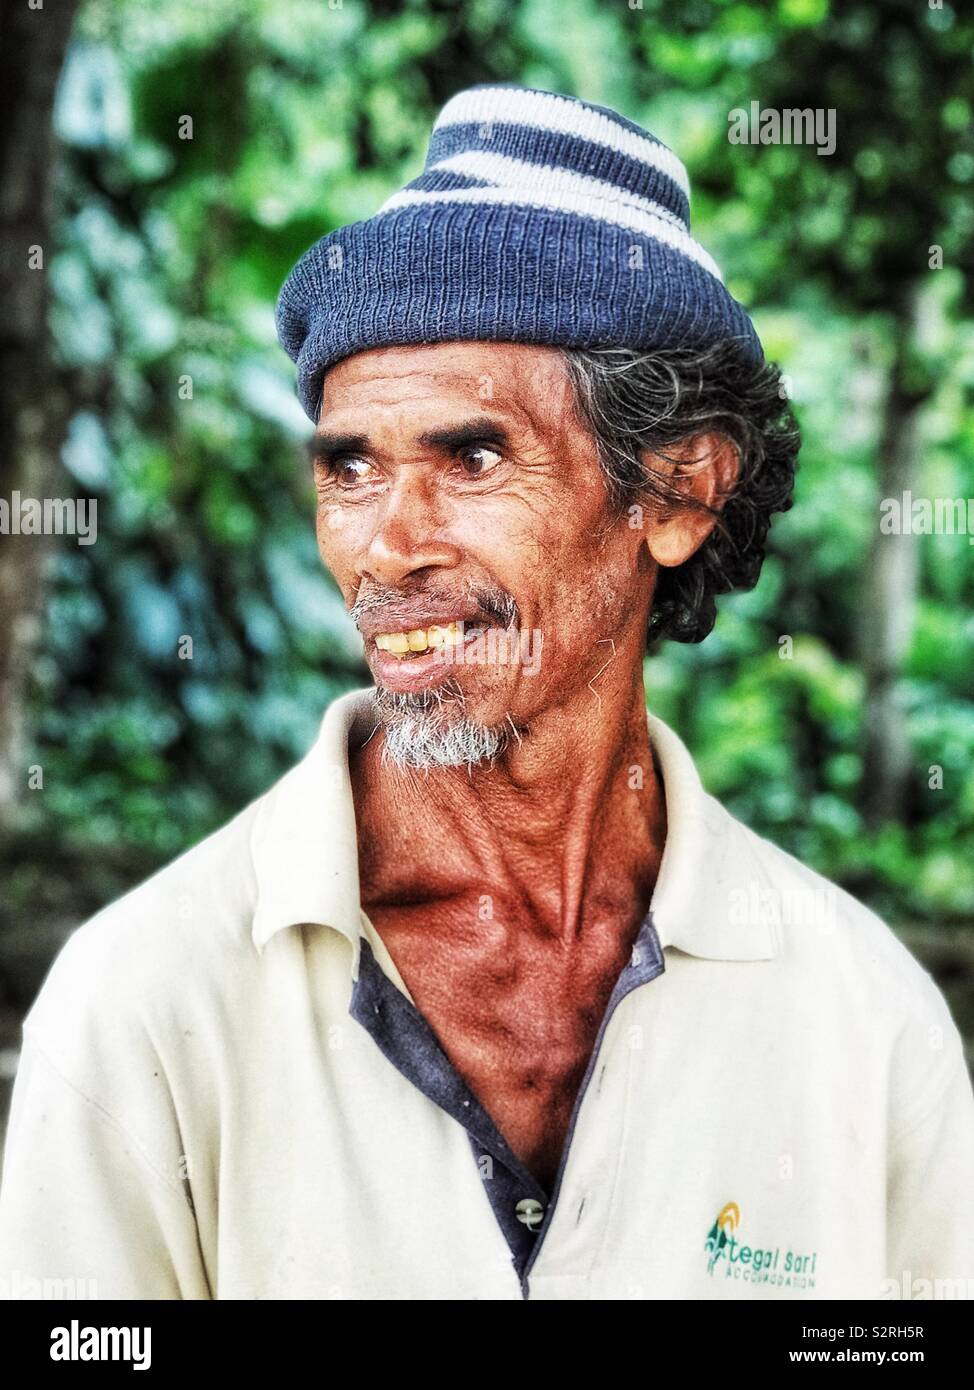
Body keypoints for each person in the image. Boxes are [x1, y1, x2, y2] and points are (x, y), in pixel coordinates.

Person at [1, 84, 972, 1301]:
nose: (386, 545)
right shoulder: (142, 1003)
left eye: (471, 456)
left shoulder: (864, 1022)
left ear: (675, 492)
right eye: (349, 466)